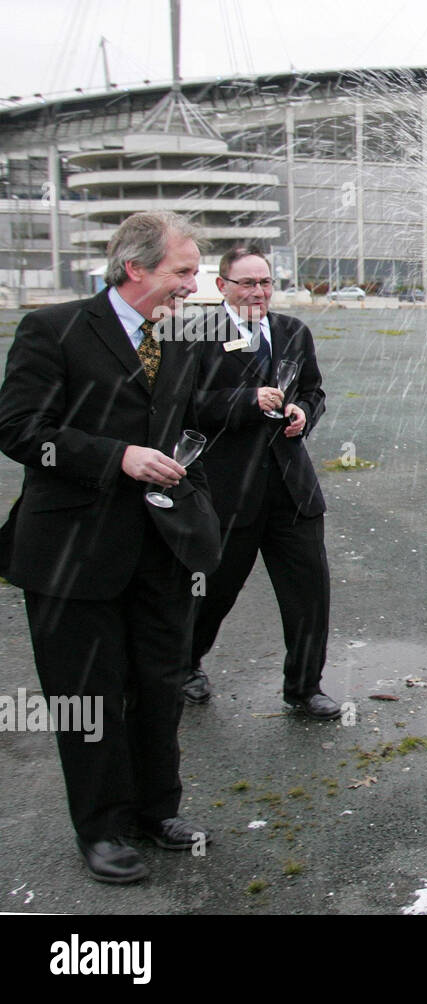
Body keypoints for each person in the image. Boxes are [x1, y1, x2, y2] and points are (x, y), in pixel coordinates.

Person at [0, 211, 222, 883]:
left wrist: (198, 508)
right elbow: (18, 430)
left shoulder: (177, 341)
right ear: (136, 268)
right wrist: (118, 456)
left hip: (161, 549)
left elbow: (187, 427)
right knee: (88, 697)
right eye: (182, 271)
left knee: (159, 686)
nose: (193, 284)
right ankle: (102, 829)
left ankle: (159, 810)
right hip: (72, 552)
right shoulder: (54, 329)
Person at [184, 246, 339, 719]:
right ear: (222, 286)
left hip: (291, 487)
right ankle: (184, 665)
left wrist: (302, 413)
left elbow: (313, 390)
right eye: (247, 283)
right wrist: (245, 401)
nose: (258, 292)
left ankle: (305, 687)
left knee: (310, 594)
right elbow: (185, 404)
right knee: (214, 590)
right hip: (229, 490)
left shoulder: (293, 331)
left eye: (265, 282)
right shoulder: (193, 333)